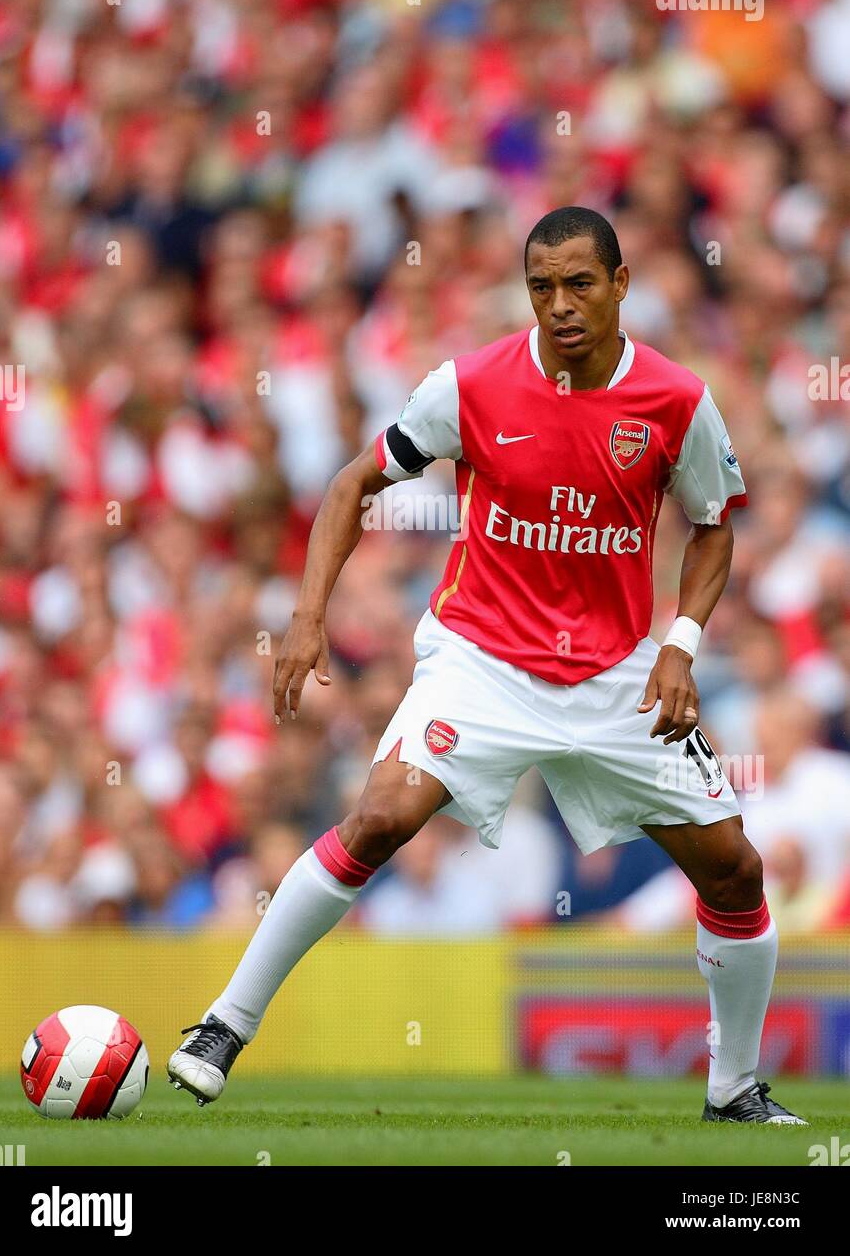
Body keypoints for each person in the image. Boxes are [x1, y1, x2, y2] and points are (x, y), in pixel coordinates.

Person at [168, 206, 805, 1125]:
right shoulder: (467, 387)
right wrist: (305, 618)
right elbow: (355, 483)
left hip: (618, 678)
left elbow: (712, 526)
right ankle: (223, 1025)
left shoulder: (675, 401)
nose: (560, 306)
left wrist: (680, 644)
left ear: (620, 286)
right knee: (382, 815)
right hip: (482, 660)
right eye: (541, 287)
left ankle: (732, 1088)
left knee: (735, 872)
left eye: (579, 283)